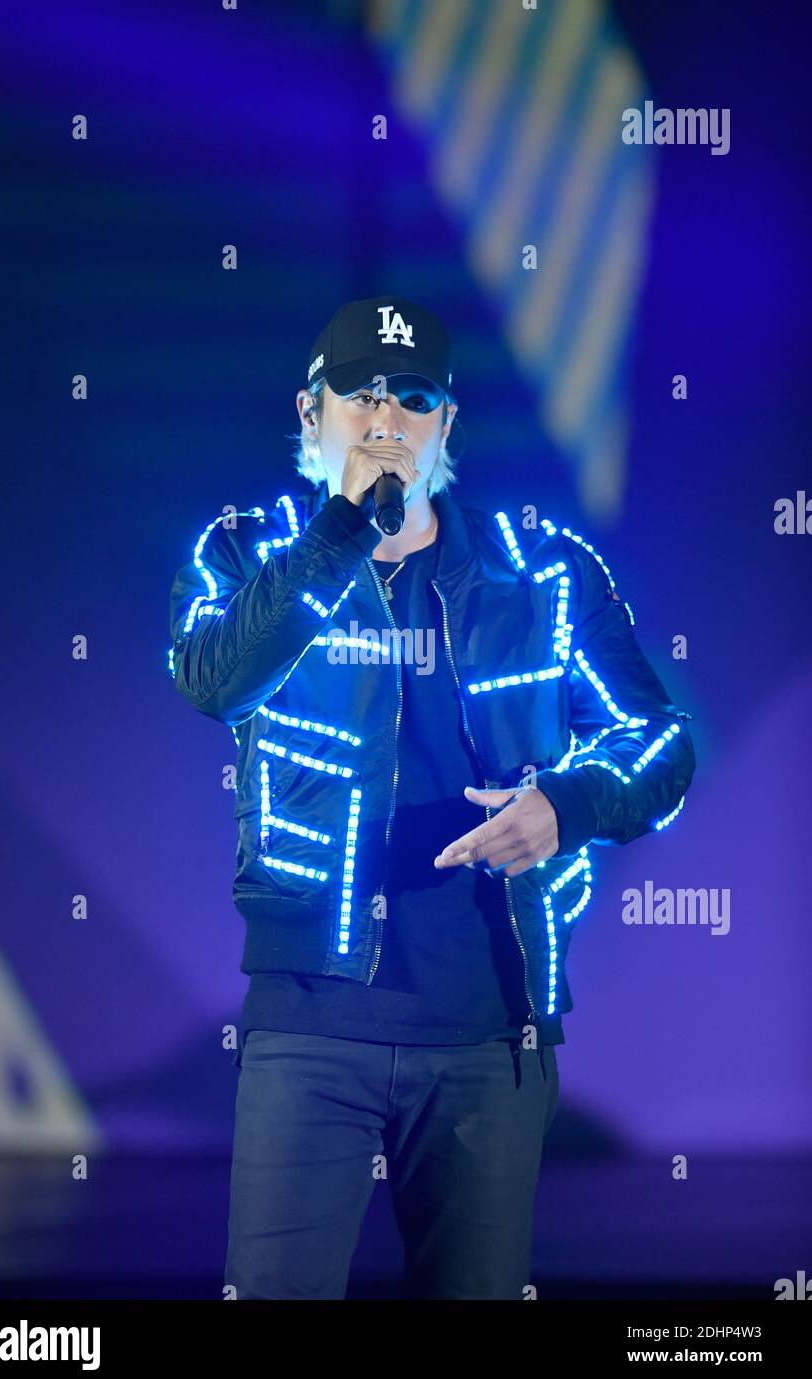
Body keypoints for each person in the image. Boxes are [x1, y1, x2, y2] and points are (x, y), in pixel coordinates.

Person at [167, 296, 695, 1299]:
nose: (383, 419)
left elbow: (660, 742)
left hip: (487, 1035)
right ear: (309, 410)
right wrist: (336, 531)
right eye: (358, 394)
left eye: (410, 398)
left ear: (443, 424)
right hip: (309, 1028)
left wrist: (567, 804)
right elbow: (213, 679)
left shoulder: (541, 573)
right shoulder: (244, 552)